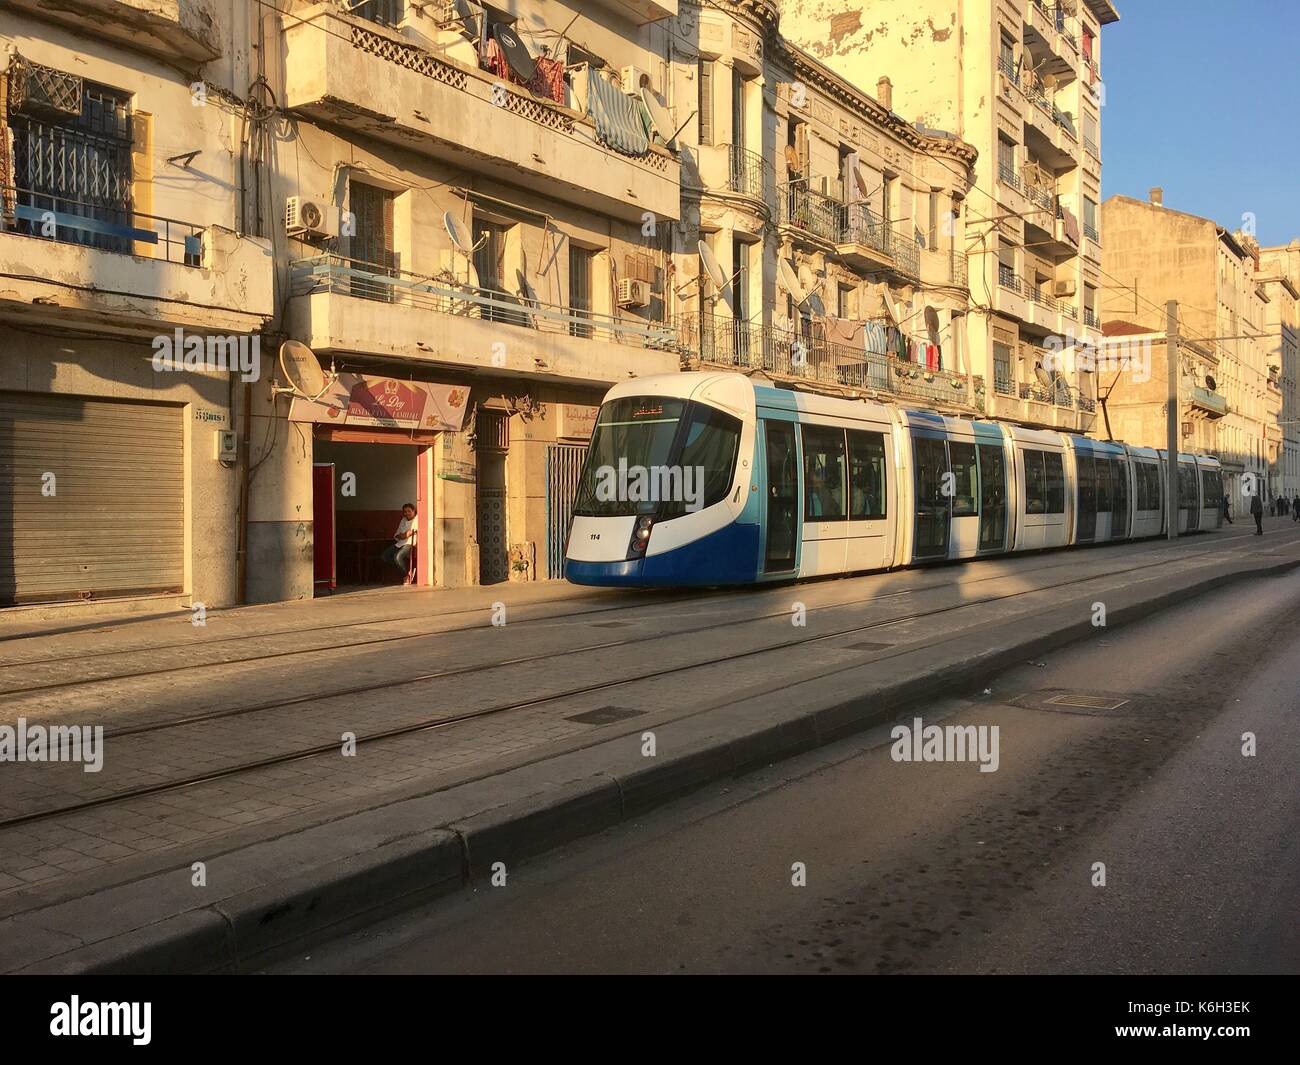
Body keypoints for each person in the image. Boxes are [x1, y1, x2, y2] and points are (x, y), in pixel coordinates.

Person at [382, 503, 418, 583]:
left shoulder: (417, 519)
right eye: (405, 511)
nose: (407, 513)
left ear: (414, 511)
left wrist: (404, 535)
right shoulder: (403, 520)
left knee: (397, 557)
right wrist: (403, 535)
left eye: (409, 511)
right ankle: (403, 567)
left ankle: (406, 576)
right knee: (385, 556)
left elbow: (409, 533)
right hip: (399, 543)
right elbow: (397, 534)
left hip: (410, 544)